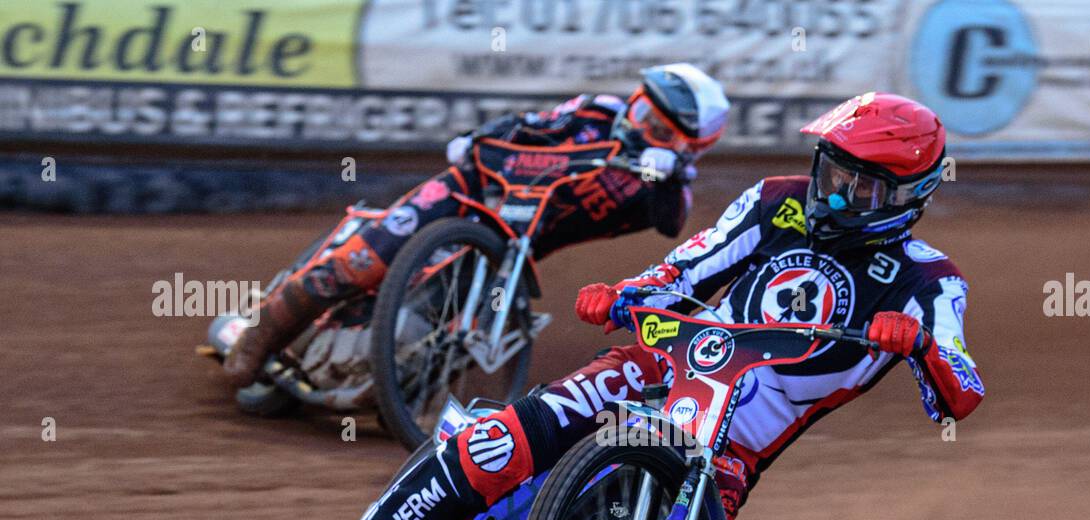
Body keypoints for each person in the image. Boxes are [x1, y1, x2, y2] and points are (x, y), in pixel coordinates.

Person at [304, 91, 986, 520]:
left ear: (907, 196)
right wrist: (627, 294)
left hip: (729, 449)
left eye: (857, 185)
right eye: (829, 170)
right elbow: (687, 268)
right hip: (664, 365)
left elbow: (962, 388)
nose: (833, 192)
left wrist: (921, 342)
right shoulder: (776, 202)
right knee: (502, 442)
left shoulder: (930, 283)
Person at [223, 63, 730, 387]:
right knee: (361, 262)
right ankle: (261, 333)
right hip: (466, 188)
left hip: (511, 243)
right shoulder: (595, 111)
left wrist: (664, 173)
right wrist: (478, 137)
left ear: (690, 145)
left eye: (661, 129)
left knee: (435, 321)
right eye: (643, 111)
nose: (641, 126)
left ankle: (388, 383)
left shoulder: (669, 185)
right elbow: (532, 124)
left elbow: (671, 224)